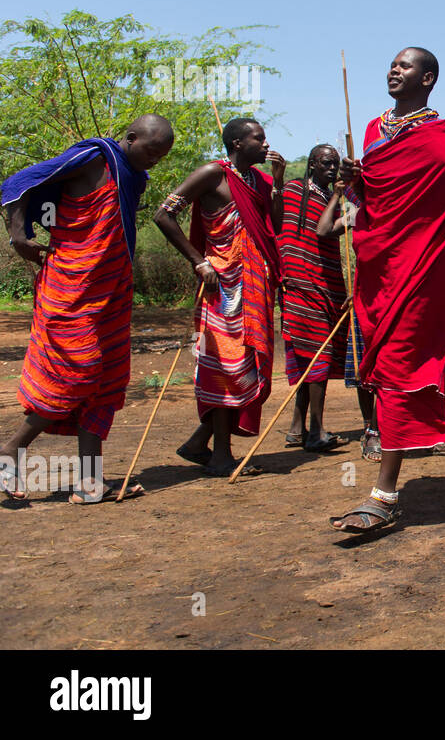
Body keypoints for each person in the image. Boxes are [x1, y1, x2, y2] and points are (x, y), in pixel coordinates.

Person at [330, 46, 445, 532]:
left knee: (398, 362)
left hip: (423, 266)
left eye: (406, 64)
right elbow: (369, 197)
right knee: (386, 363)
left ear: (428, 77)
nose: (394, 69)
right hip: (379, 264)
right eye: (392, 63)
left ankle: (384, 493)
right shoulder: (374, 130)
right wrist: (356, 179)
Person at [1, 115, 174, 503]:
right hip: (69, 287)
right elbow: (16, 184)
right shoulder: (94, 157)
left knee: (107, 382)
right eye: (151, 151)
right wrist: (18, 235)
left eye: (162, 156)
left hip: (111, 290)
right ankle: (10, 450)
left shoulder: (132, 176)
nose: (155, 161)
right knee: (76, 372)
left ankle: (90, 482)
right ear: (130, 138)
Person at [156, 118, 285, 478]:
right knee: (225, 367)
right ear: (237, 143)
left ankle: (202, 444)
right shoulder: (213, 174)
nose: (265, 143)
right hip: (223, 287)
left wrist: (278, 182)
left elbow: (273, 226)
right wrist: (198, 261)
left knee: (247, 367)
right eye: (258, 138)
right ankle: (220, 456)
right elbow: (164, 214)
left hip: (256, 286)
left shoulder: (260, 181)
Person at [278, 144, 349, 452]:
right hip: (299, 284)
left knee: (313, 356)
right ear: (311, 165)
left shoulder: (339, 205)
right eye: (325, 163)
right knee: (316, 355)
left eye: (335, 164)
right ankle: (316, 431)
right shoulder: (293, 190)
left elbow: (332, 232)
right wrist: (337, 194)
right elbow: (283, 226)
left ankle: (297, 428)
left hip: (328, 285)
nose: (331, 169)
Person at [315, 183, 380, 460]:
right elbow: (324, 230)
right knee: (364, 367)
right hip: (364, 295)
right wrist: (338, 194)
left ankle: (400, 427)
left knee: (392, 366)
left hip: (398, 294)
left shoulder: (404, 208)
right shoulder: (359, 212)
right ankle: (371, 430)